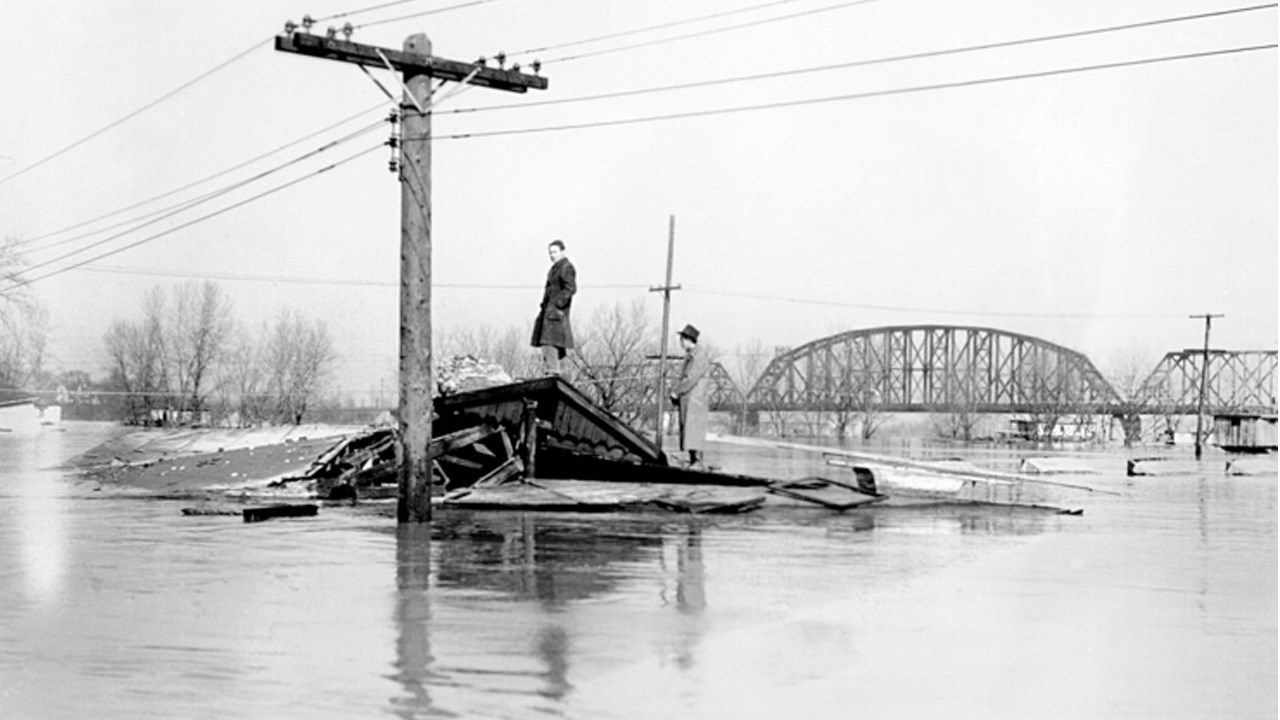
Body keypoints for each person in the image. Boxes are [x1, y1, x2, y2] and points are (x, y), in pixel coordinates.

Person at [530, 239, 576, 376]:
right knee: (547, 341)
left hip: (556, 313)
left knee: (549, 341)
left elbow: (570, 289)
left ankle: (553, 371)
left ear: (563, 252)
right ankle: (551, 369)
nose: (552, 255)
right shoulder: (554, 268)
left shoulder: (566, 267)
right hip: (549, 312)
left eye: (554, 252)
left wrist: (558, 304)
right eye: (550, 252)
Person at [669, 323, 711, 468]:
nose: (680, 343)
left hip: (695, 401)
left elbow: (690, 379)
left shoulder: (699, 357)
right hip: (689, 400)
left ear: (687, 339)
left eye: (681, 339)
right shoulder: (692, 356)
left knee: (694, 431)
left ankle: (697, 463)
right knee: (690, 431)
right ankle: (694, 461)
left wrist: (676, 392)